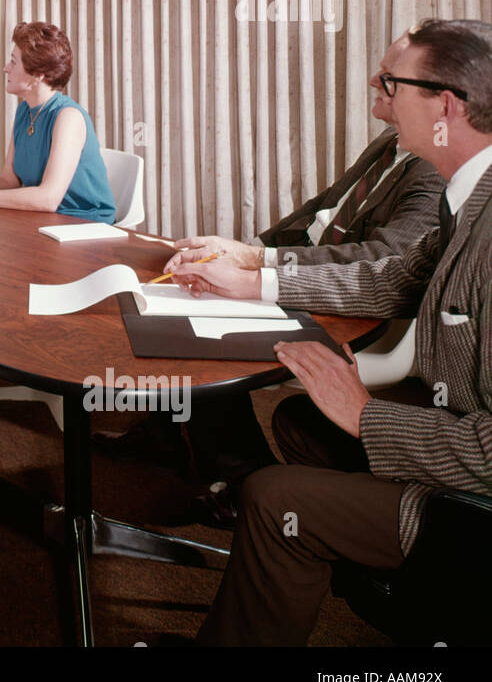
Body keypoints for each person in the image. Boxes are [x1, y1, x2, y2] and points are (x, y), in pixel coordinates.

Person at [169, 19, 492, 646]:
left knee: (272, 496)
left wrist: (368, 416)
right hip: (458, 444)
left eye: (395, 84)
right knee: (304, 424)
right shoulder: (469, 196)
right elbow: (395, 276)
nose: (382, 95)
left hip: (478, 502)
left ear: (446, 105)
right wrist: (254, 280)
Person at [117, 35, 443, 525]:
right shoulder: (390, 142)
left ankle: (243, 479)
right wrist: (242, 248)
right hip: (297, 270)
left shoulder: (436, 170)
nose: (374, 81)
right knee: (174, 291)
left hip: (341, 300)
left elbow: (384, 261)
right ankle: (167, 431)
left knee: (202, 328)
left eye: (389, 78)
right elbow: (320, 210)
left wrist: (255, 267)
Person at [0, 22, 116, 393]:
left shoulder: (68, 117)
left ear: (38, 75)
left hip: (84, 233)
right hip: (45, 225)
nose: (5, 68)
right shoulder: (24, 111)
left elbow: (47, 197)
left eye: (13, 62)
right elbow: (12, 181)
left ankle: (7, 358)